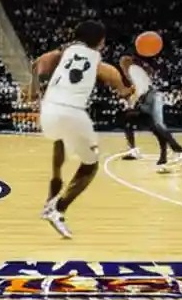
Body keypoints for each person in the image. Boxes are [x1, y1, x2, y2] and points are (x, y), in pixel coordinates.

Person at [28, 20, 133, 239]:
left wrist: (32, 91)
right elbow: (117, 82)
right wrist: (127, 84)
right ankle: (57, 209)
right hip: (73, 113)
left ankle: (51, 195)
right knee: (91, 165)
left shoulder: (65, 50)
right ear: (101, 41)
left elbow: (37, 63)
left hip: (47, 111)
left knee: (59, 139)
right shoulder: (96, 59)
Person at [118, 54, 182, 173]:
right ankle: (163, 155)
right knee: (154, 127)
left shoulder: (133, 69)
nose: (121, 67)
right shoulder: (137, 70)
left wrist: (132, 101)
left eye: (122, 64)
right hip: (149, 99)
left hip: (150, 98)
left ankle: (179, 150)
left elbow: (141, 89)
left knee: (156, 126)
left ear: (126, 63)